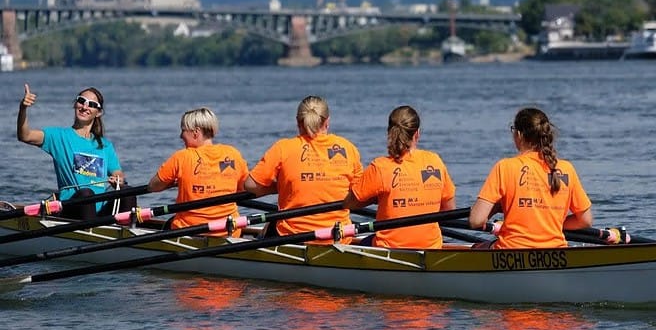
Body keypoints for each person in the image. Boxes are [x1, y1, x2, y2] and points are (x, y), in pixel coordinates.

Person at [469, 107, 593, 249]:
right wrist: (549, 223)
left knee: (476, 248)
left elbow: (476, 221)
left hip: (512, 251)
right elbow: (585, 221)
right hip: (556, 250)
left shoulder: (505, 167)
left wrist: (496, 208)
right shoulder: (566, 169)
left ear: (519, 134)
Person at [244, 95, 362, 244]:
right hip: (338, 236)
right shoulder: (348, 148)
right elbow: (359, 195)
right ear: (327, 122)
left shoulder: (283, 148)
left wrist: (278, 187)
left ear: (298, 122)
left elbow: (249, 185)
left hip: (293, 236)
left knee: (273, 221)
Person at [343, 105, 456, 249]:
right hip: (430, 246)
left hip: (389, 248)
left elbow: (349, 204)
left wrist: (377, 198)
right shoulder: (435, 161)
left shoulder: (381, 166)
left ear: (389, 132)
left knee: (351, 241)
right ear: (417, 134)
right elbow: (449, 211)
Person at [16, 83, 135, 220]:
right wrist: (23, 108)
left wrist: (118, 181)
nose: (84, 107)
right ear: (75, 104)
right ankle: (89, 234)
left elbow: (118, 174)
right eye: (81, 101)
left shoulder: (105, 145)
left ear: (99, 112)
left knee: (128, 192)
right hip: (71, 208)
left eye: (91, 104)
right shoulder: (58, 136)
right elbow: (25, 136)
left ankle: (128, 234)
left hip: (100, 212)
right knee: (86, 193)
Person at [148, 107, 248, 237]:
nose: (180, 136)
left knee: (168, 225)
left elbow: (153, 186)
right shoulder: (233, 154)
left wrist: (172, 183)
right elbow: (245, 189)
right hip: (230, 230)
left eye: (183, 130)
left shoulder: (182, 157)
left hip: (191, 230)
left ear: (195, 133)